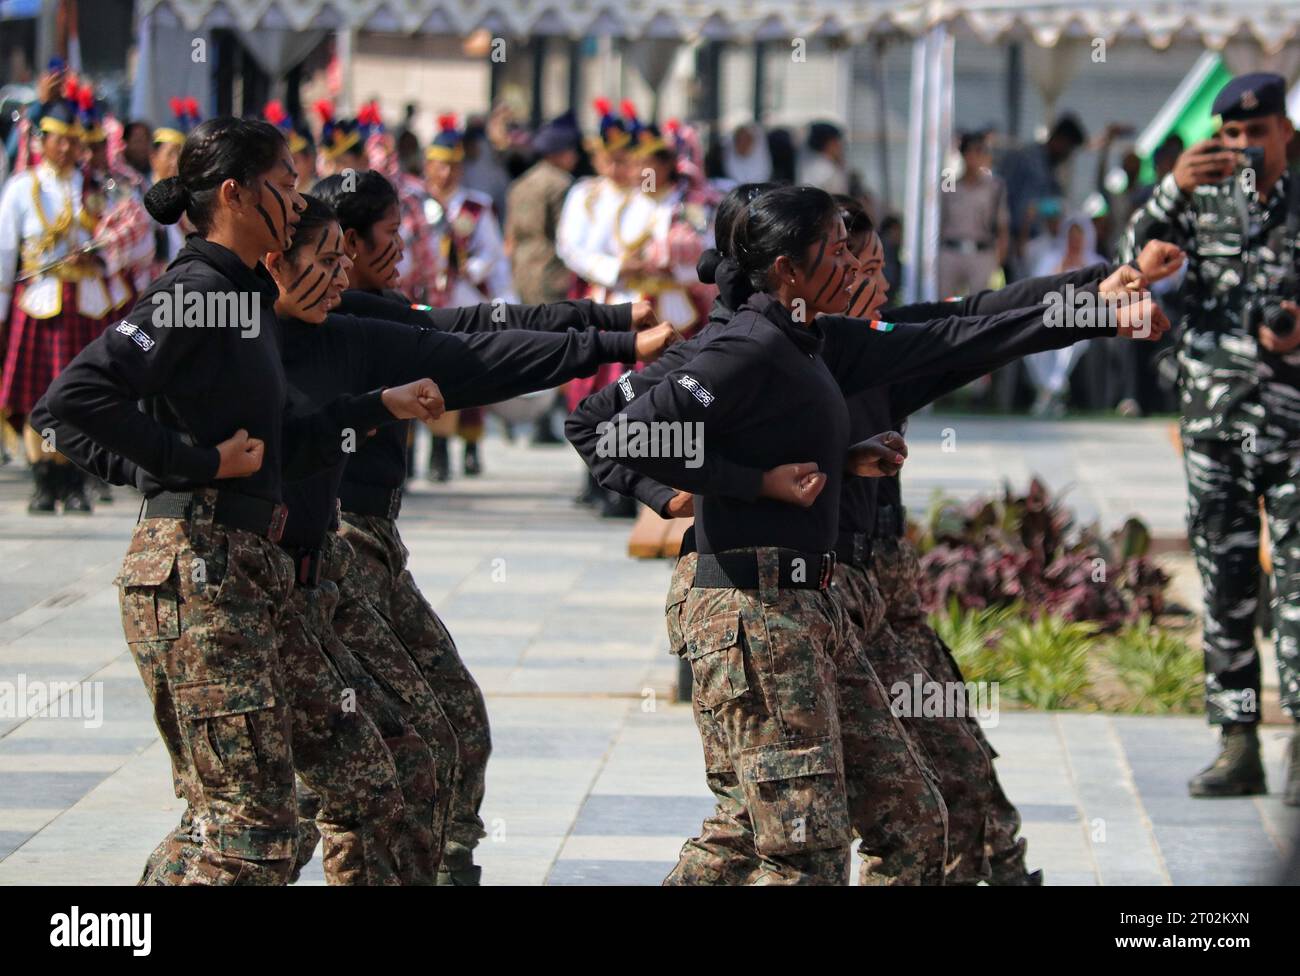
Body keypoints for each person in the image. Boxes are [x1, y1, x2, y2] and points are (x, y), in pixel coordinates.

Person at [569, 186, 1174, 885]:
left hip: (823, 599)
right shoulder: (741, 346)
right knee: (784, 838)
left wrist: (1096, 299)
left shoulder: (827, 342)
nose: (872, 279)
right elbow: (609, 427)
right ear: (791, 268)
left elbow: (968, 325)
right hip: (753, 600)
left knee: (912, 811)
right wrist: (728, 483)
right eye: (849, 259)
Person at [40, 117, 444, 885]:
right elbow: (73, 399)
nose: (297, 202)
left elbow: (287, 435)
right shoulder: (199, 292)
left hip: (246, 572)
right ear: (234, 192)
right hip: (200, 573)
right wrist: (190, 465)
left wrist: (378, 407)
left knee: (371, 771)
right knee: (249, 833)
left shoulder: (243, 296)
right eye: (286, 185)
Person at [313, 169, 673, 884]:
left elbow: (484, 323)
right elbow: (475, 359)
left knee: (449, 724)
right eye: (391, 238)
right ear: (347, 243)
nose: (405, 249)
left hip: (374, 545)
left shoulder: (374, 307)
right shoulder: (341, 321)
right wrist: (611, 347)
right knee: (368, 757)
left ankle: (448, 870)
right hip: (339, 547)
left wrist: (611, 321)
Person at [1122, 72, 1300, 805]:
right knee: (1225, 584)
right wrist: (1171, 188)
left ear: (1285, 131)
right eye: (1229, 137)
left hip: (1293, 423)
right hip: (1215, 422)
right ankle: (1237, 744)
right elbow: (1140, 256)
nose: (1242, 149)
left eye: (1255, 135)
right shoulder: (1199, 195)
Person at [0, 90, 120, 514]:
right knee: (38, 394)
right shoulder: (21, 186)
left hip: (85, 301)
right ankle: (42, 478)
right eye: (58, 138)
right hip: (38, 300)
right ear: (42, 140)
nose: (67, 147)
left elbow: (119, 243)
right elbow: (5, 251)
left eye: (73, 139)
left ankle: (73, 479)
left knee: (80, 394)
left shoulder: (96, 187)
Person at [424, 112, 516, 477]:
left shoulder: (475, 206)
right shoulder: (416, 203)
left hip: (465, 297)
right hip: (428, 298)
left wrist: (471, 269)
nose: (445, 173)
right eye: (438, 165)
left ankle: (472, 445)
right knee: (428, 374)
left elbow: (492, 251)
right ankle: (436, 450)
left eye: (452, 166)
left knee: (468, 374)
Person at [1023, 212, 1105, 416]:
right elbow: (1038, 291)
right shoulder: (1052, 259)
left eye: (1079, 237)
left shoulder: (1097, 263)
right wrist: (1062, 266)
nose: (1075, 242)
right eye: (1071, 237)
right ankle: (1052, 391)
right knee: (1032, 343)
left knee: (1071, 342)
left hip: (1085, 319)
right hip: (1051, 316)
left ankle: (1049, 392)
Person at [999, 113, 1087, 278]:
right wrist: (1009, 236)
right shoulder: (1026, 158)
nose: (1068, 155)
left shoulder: (1051, 168)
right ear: (1060, 140)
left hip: (1039, 242)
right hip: (1015, 240)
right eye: (1069, 148)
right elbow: (1005, 198)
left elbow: (1054, 207)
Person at [939, 130, 1009, 297]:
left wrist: (999, 258)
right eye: (971, 151)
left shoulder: (994, 187)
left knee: (979, 305)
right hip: (951, 251)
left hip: (981, 252)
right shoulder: (949, 184)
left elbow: (1002, 224)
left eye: (980, 151)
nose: (975, 157)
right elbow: (939, 219)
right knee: (944, 304)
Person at [800, 121, 849, 195]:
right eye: (837, 141)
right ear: (829, 143)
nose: (840, 146)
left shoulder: (814, 166)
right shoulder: (827, 171)